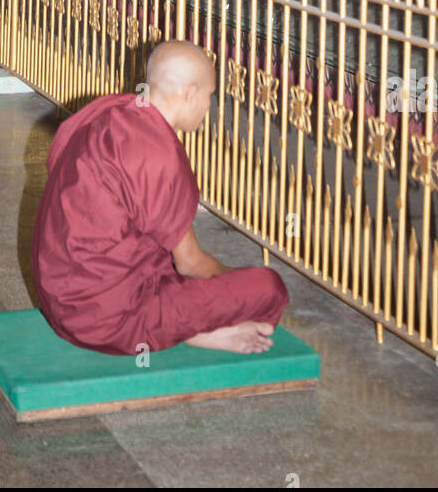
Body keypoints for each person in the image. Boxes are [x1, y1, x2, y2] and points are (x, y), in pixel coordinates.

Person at [31, 41, 288, 355]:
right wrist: (235, 284)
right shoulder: (157, 153)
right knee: (269, 288)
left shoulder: (106, 111)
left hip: (56, 299)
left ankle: (191, 326)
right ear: (189, 93)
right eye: (209, 96)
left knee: (164, 263)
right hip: (104, 320)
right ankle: (198, 333)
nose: (209, 108)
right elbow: (191, 264)